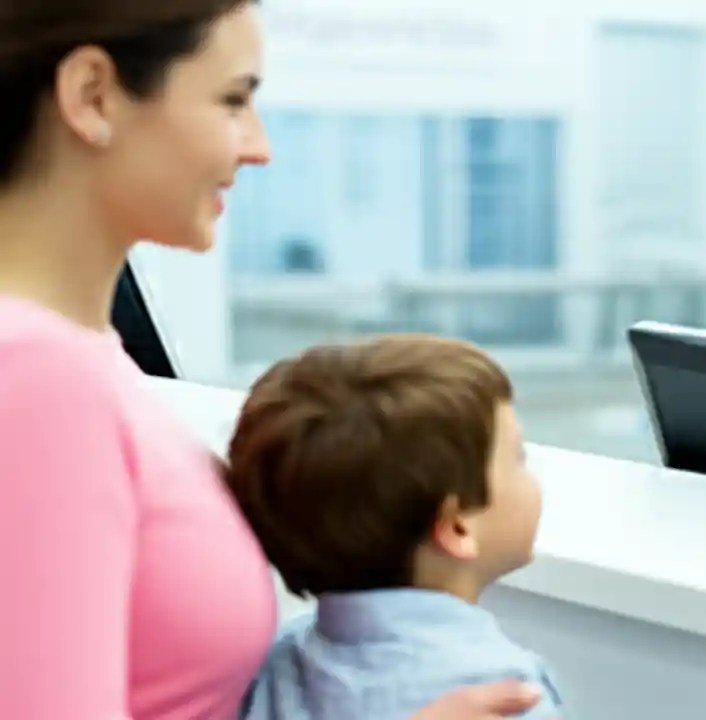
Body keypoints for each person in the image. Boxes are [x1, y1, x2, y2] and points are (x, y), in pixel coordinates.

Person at [0, 2, 540, 718]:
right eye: (232, 100)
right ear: (93, 95)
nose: (259, 147)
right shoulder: (36, 378)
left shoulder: (85, 362)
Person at [226, 334, 563, 719]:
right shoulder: (501, 695)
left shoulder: (273, 667)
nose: (531, 475)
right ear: (456, 527)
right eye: (518, 457)